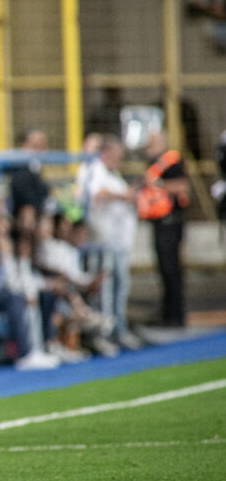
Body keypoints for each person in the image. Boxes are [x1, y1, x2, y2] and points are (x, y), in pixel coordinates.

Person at [79, 136, 140, 350]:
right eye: (116, 156)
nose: (119, 160)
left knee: (119, 286)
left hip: (117, 241)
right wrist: (124, 195)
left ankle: (118, 329)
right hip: (101, 241)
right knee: (104, 287)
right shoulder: (94, 170)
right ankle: (103, 333)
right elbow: (97, 194)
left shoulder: (112, 173)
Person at [139, 132, 189, 326]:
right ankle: (168, 313)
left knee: (171, 269)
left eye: (151, 143)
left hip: (170, 222)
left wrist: (158, 184)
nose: (148, 147)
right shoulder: (154, 164)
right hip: (159, 223)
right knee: (164, 269)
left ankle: (175, 315)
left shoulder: (172, 162)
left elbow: (183, 187)